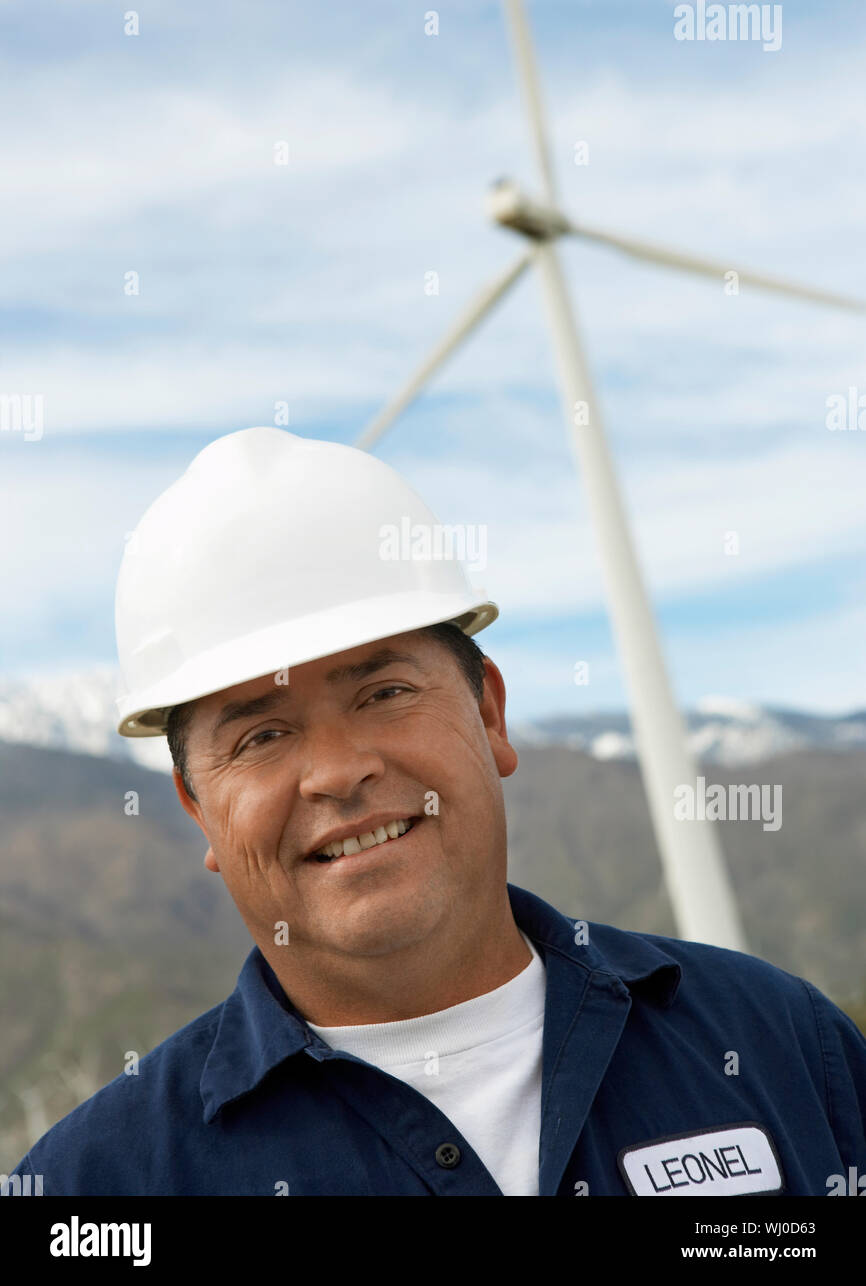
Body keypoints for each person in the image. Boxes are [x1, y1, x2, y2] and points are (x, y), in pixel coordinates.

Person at [7, 427, 866, 1196]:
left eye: (384, 692)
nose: (338, 773)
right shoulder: (97, 1183)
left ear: (490, 713)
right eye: (261, 736)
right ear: (198, 809)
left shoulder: (786, 1045)